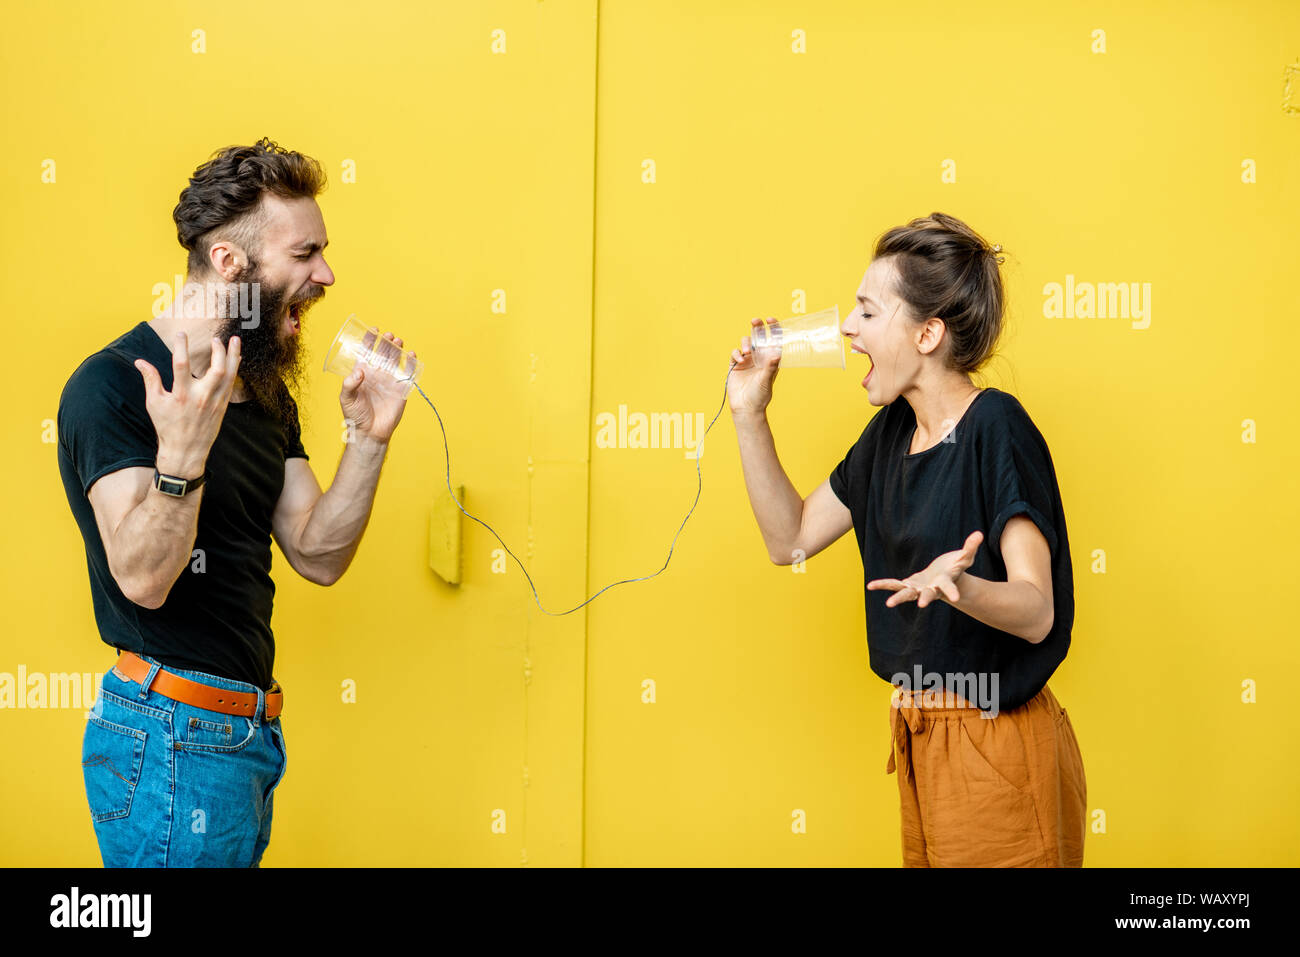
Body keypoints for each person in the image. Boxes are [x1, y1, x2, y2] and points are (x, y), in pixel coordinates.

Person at [56, 137, 415, 866]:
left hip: (242, 743)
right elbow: (143, 577)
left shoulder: (262, 393)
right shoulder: (114, 385)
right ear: (231, 265)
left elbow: (317, 552)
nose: (327, 275)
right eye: (304, 254)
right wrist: (183, 456)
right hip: (167, 735)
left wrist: (368, 440)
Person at [728, 212, 1087, 867]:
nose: (845, 327)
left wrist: (960, 586)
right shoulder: (891, 434)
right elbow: (791, 540)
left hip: (995, 744)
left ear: (927, 332)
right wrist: (749, 412)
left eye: (867, 311)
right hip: (923, 740)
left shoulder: (996, 427)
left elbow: (1037, 612)